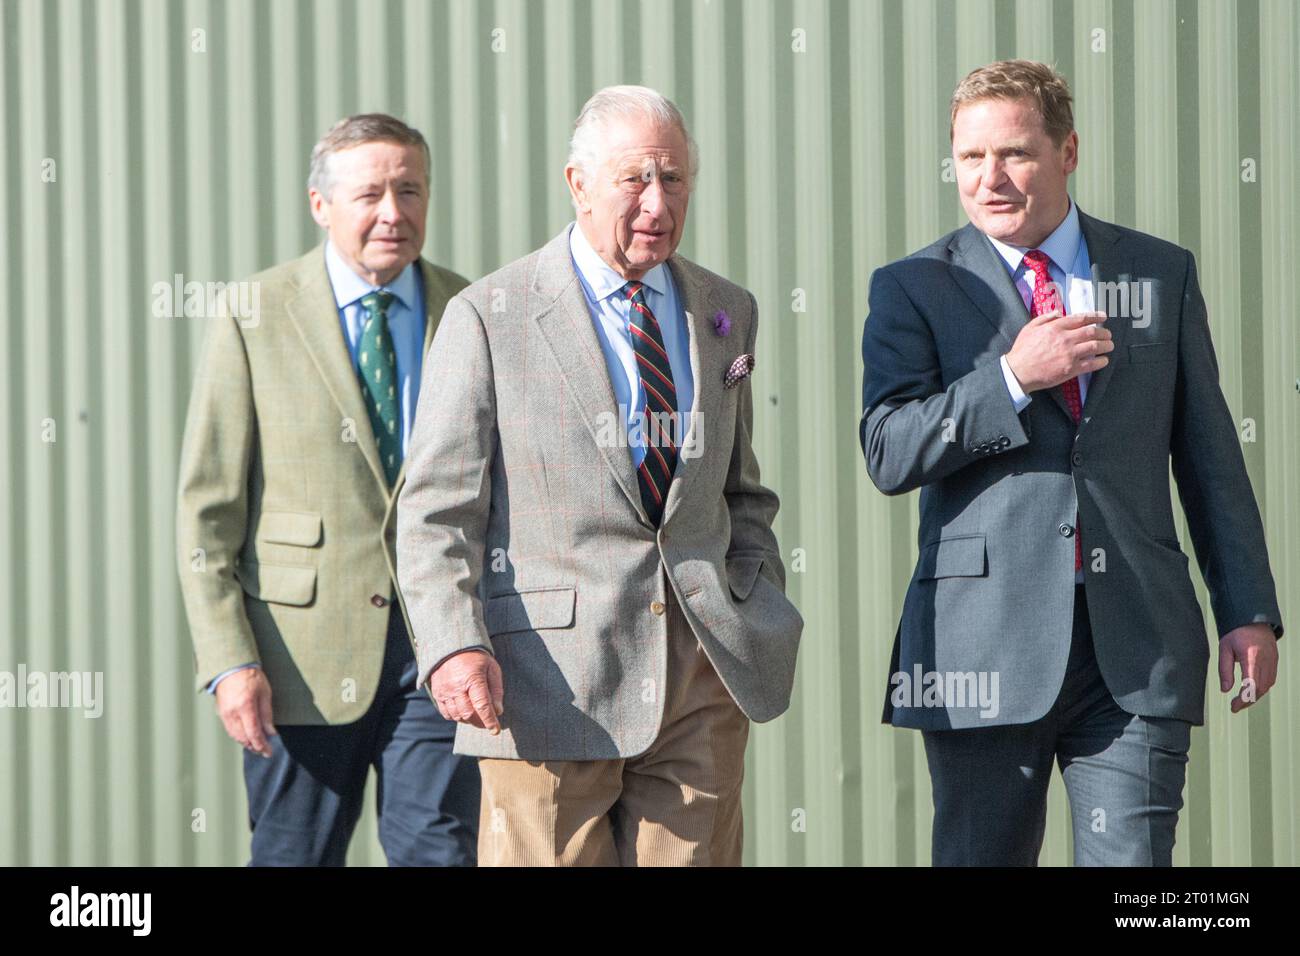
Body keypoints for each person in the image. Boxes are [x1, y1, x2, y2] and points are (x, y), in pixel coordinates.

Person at [859, 60, 1283, 866]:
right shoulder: (915, 287)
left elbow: (1208, 455)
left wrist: (1247, 607)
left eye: (1014, 153)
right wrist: (1014, 377)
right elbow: (889, 449)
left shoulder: (1158, 272)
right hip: (977, 654)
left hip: (1136, 645)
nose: (990, 178)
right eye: (970, 158)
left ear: (1068, 151)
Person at [395, 85, 803, 866]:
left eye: (674, 179)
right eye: (635, 179)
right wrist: (452, 644)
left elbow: (740, 490)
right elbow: (436, 512)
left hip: (701, 680)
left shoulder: (727, 311)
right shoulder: (488, 316)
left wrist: (753, 595)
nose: (657, 202)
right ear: (577, 183)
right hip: (545, 688)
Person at [176, 113, 479, 866]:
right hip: (297, 664)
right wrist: (228, 661)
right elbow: (207, 511)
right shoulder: (255, 314)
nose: (393, 212)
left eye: (410, 190)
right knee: (294, 857)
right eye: (370, 193)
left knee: (440, 854)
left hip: (435, 650)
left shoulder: (469, 310)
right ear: (322, 205)